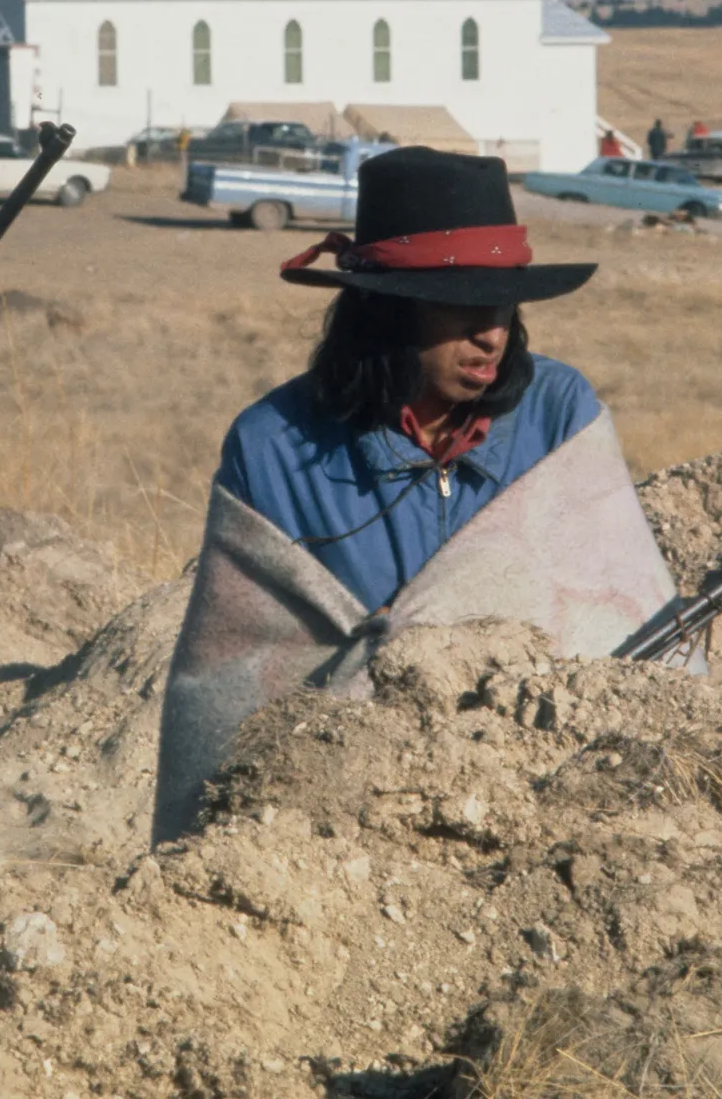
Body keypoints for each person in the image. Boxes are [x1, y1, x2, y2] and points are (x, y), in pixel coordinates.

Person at [155, 150, 683, 842]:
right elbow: (234, 682)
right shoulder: (273, 448)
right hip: (343, 821)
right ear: (385, 313)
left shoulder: (561, 416)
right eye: (460, 305)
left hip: (547, 808)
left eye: (503, 302)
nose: (491, 334)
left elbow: (620, 620)